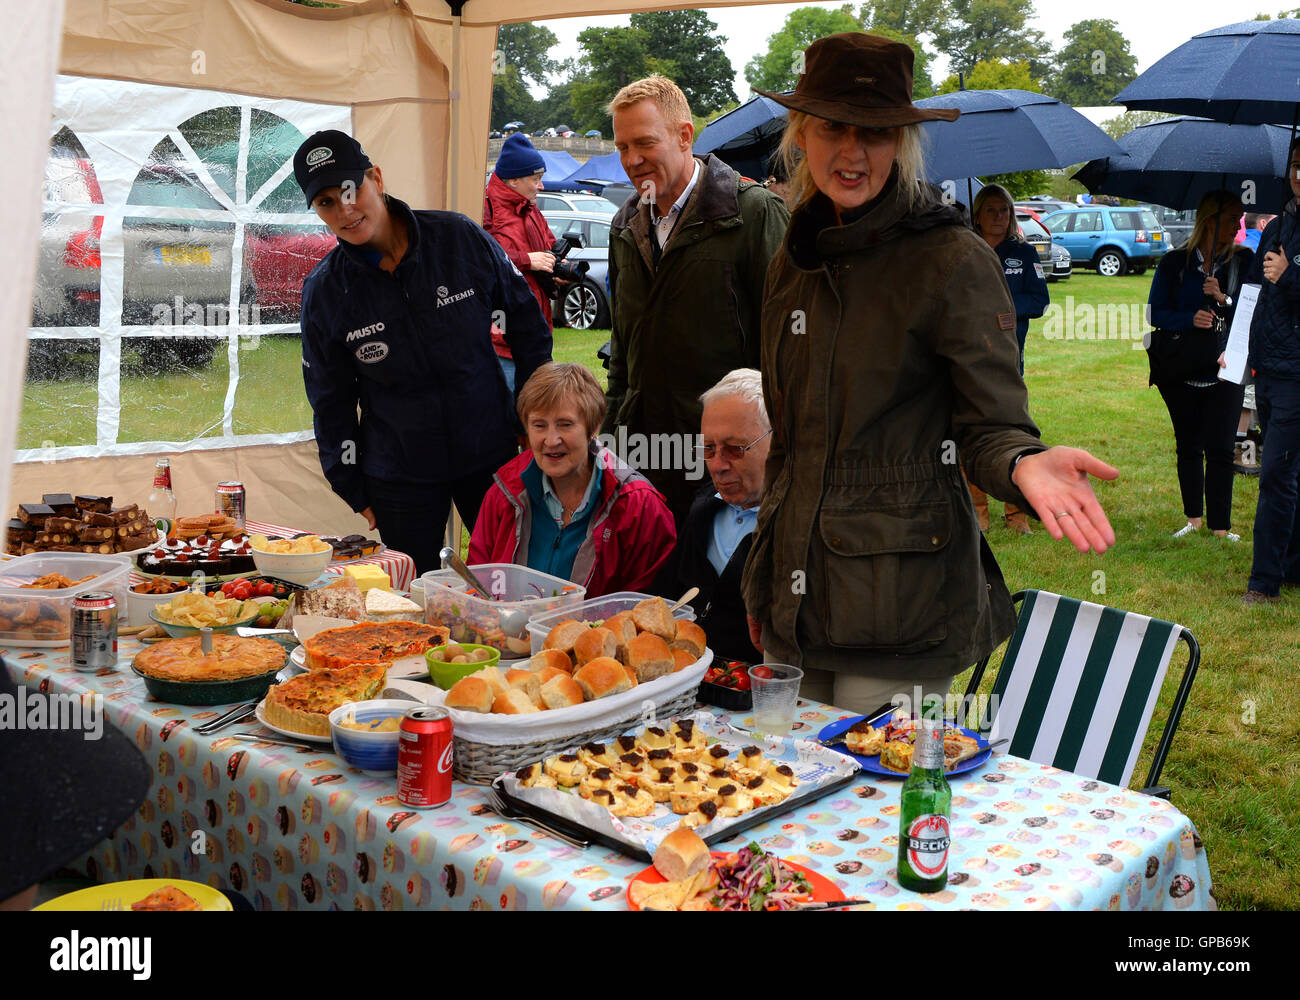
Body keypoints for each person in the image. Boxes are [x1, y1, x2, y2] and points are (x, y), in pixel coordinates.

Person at [741, 33, 1117, 716]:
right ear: (801, 132)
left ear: (903, 142)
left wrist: (1023, 462)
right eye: (833, 128)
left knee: (878, 783)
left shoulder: (952, 260)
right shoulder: (791, 260)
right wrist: (767, 580)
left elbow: (992, 427)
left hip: (899, 607)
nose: (852, 152)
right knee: (782, 772)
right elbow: (789, 445)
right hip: (795, 601)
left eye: (875, 132)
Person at [294, 130, 552, 575]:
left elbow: (529, 328)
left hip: (491, 452)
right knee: (415, 595)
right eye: (326, 202)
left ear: (377, 178)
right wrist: (351, 485)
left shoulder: (457, 237)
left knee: (512, 578)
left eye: (351, 190)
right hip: (399, 474)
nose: (345, 210)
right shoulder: (326, 291)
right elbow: (329, 399)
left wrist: (532, 419)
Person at [603, 75, 790, 523]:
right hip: (643, 458)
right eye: (622, 147)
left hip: (726, 462)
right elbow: (622, 352)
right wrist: (611, 437)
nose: (632, 160)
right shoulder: (624, 224)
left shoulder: (754, 213)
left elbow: (788, 350)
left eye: (644, 143)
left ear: (685, 136)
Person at [470, 362, 676, 597]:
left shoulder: (639, 508)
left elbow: (646, 607)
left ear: (594, 426)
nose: (551, 440)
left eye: (565, 425)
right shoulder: (505, 493)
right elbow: (474, 585)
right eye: (539, 425)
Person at [1147, 190, 1252, 543]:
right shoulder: (1175, 263)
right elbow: (1154, 313)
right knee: (1188, 445)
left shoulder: (1244, 260)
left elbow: (1253, 309)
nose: (1238, 225)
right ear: (1210, 221)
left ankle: (1220, 527)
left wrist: (1224, 298)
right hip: (1182, 368)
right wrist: (1189, 318)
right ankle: (1193, 520)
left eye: (1241, 217)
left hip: (1227, 367)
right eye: (1232, 218)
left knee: (1221, 447)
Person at [656, 369, 770, 663]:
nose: (718, 465)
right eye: (708, 449)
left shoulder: (799, 526)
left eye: (735, 449)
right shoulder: (702, 509)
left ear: (778, 442)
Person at [967, 183, 1050, 535]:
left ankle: (1016, 514)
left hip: (1009, 357)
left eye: (1004, 210)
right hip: (967, 356)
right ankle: (977, 512)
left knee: (1013, 433)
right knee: (970, 432)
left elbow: (1040, 301)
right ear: (977, 215)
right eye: (991, 209)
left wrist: (1004, 311)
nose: (998, 216)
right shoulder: (964, 249)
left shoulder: (1024, 253)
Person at [1242, 140, 1300, 604]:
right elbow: (1258, 294)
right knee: (1288, 470)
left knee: (1275, 474)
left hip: (1297, 374)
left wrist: (1290, 274)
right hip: (1268, 367)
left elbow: (1282, 281)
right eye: (1297, 166)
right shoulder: (1278, 226)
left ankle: (1264, 583)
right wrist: (1238, 349)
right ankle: (1291, 565)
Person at [482, 133, 560, 391]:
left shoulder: (531, 210)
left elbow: (549, 248)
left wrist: (557, 270)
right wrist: (527, 260)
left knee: (536, 410)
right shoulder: (484, 209)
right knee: (505, 412)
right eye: (536, 179)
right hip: (502, 343)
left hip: (538, 336)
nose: (541, 186)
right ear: (514, 180)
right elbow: (480, 262)